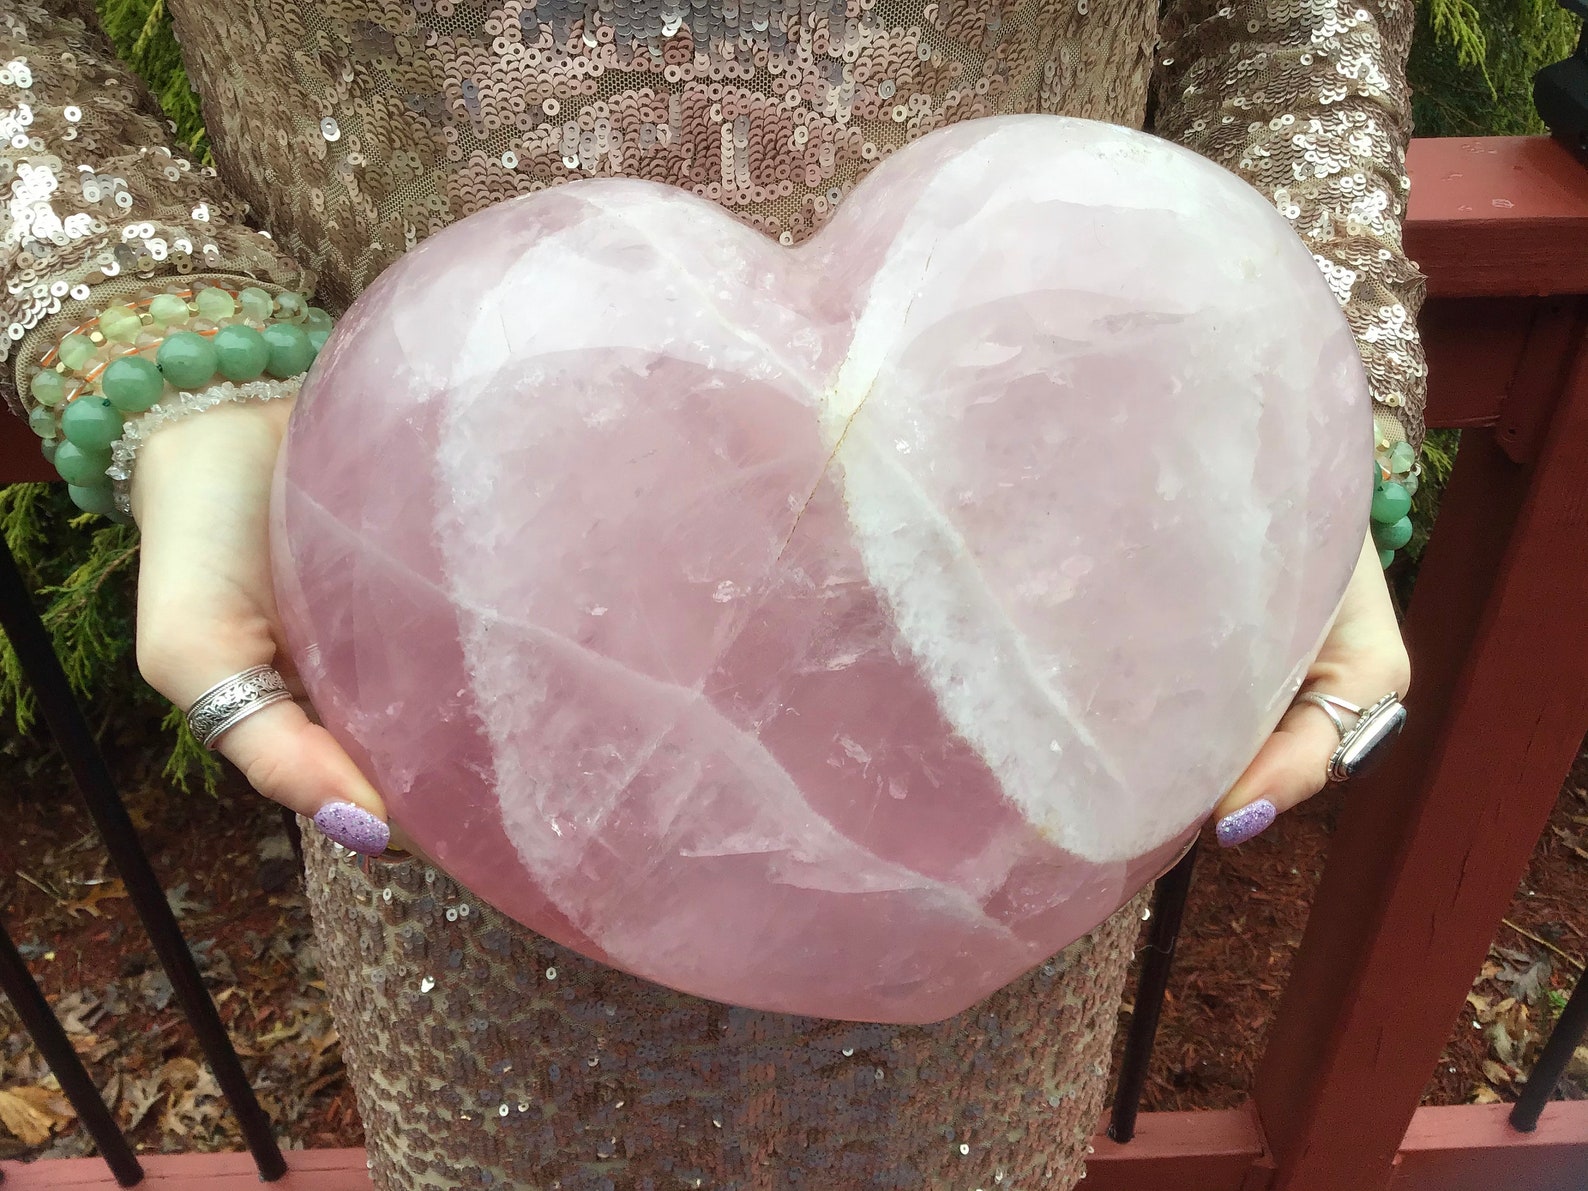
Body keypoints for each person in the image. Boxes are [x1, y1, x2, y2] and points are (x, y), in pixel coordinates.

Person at [3, 0, 1418, 1184]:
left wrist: (1282, 413)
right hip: (457, 633)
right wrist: (173, 351)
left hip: (1034, 649)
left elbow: (1292, 27)